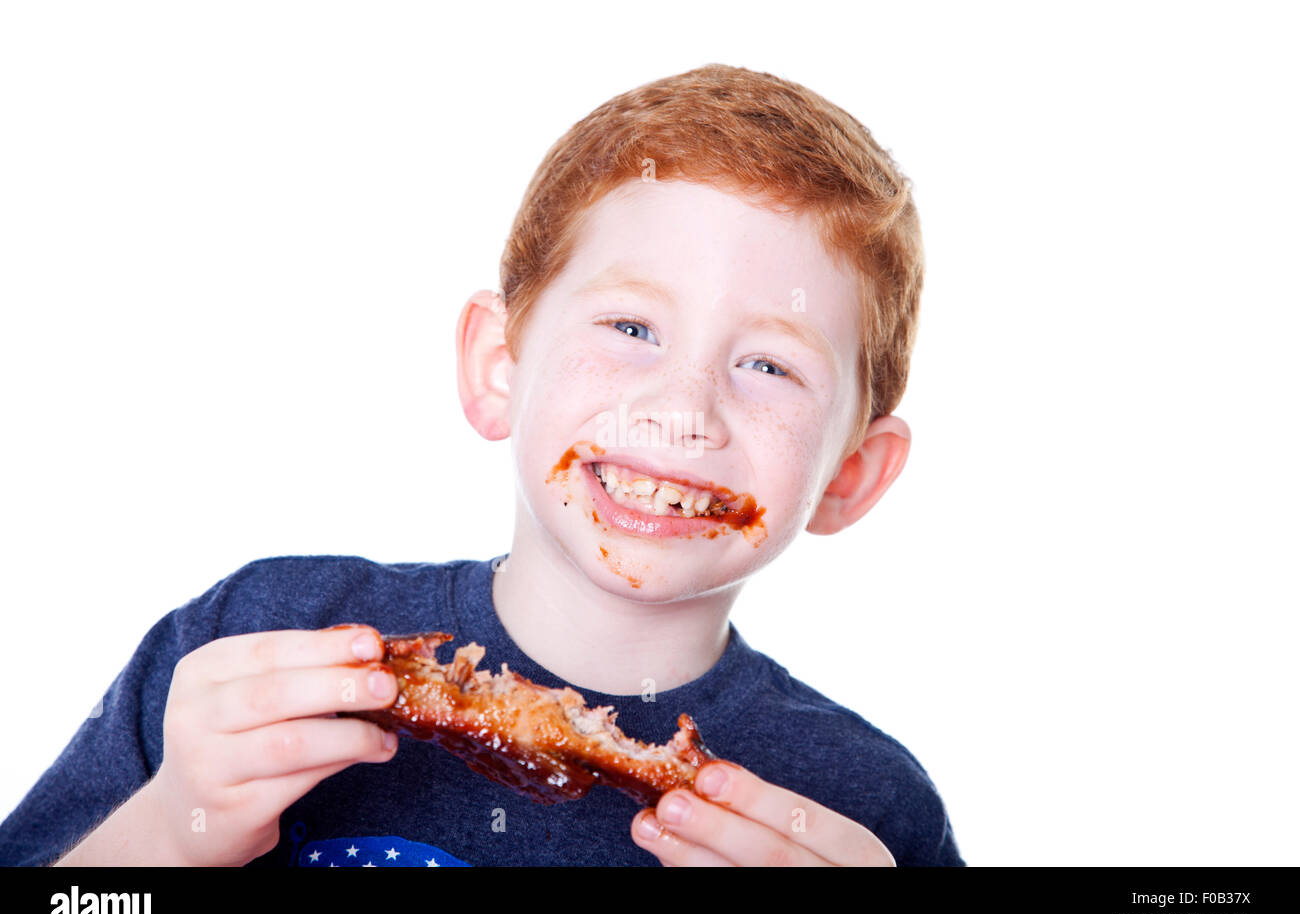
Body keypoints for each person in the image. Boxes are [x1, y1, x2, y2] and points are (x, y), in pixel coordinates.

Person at [0, 63, 962, 867]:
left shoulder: (865, 807)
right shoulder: (249, 646)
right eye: (631, 327)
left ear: (852, 474)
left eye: (769, 365)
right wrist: (169, 830)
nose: (683, 410)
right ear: (497, 367)